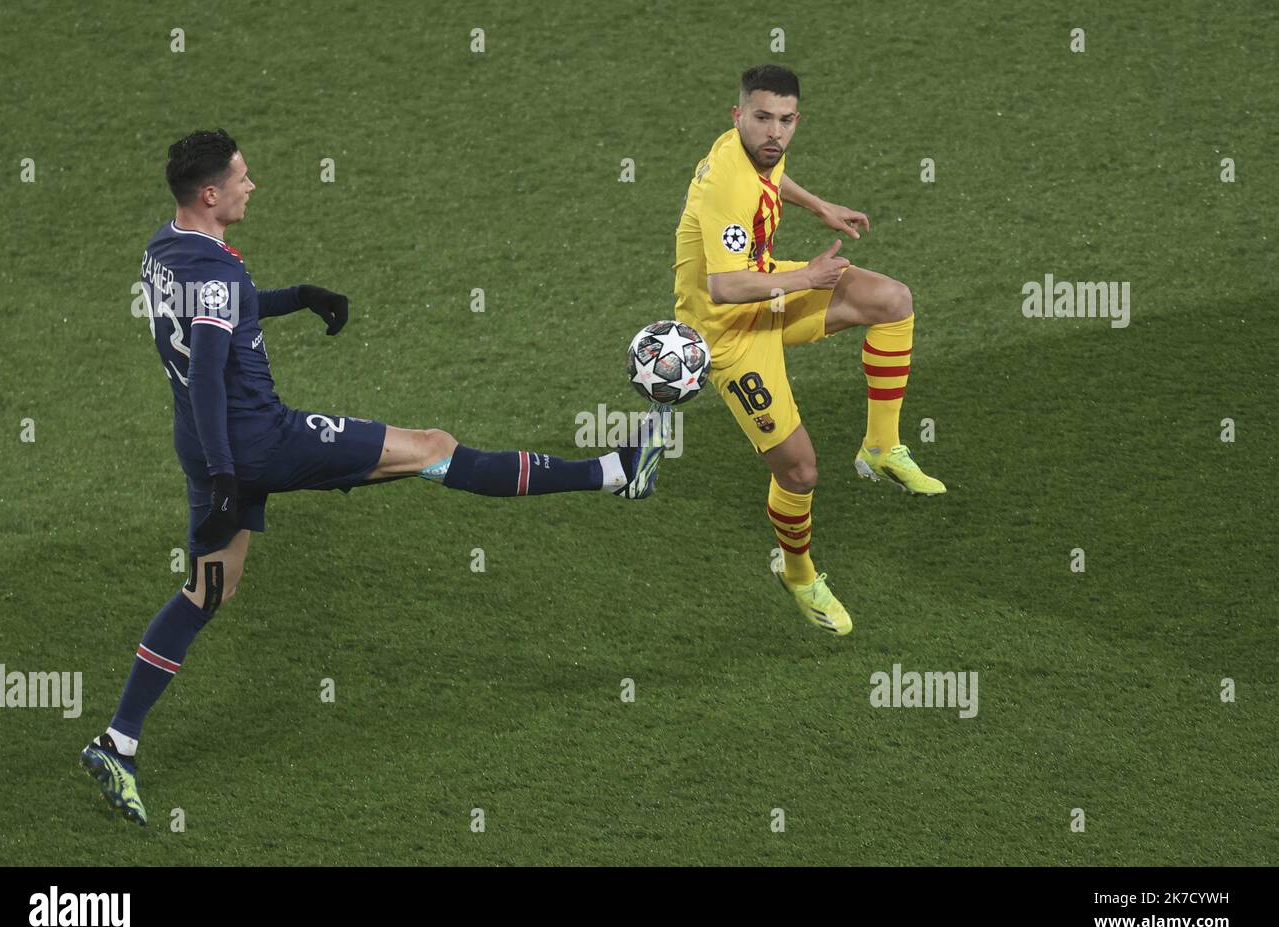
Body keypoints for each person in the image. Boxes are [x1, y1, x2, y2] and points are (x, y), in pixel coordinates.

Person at [80, 128, 666, 825]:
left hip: (202, 447)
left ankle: (117, 742)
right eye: (241, 176)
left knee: (209, 589)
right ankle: (615, 470)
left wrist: (296, 296)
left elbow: (209, 317)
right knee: (432, 447)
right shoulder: (216, 273)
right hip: (260, 443)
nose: (251, 184)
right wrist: (232, 473)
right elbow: (209, 369)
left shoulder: (165, 249)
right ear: (210, 194)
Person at [674, 65, 946, 637]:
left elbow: (773, 184)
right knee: (799, 471)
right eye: (762, 118)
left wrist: (819, 206)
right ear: (737, 116)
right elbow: (724, 287)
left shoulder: (757, 153)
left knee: (891, 299)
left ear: (796, 119)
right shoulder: (728, 179)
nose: (774, 132)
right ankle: (798, 574)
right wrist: (809, 278)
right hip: (729, 334)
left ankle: (881, 447)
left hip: (768, 288)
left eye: (786, 120)